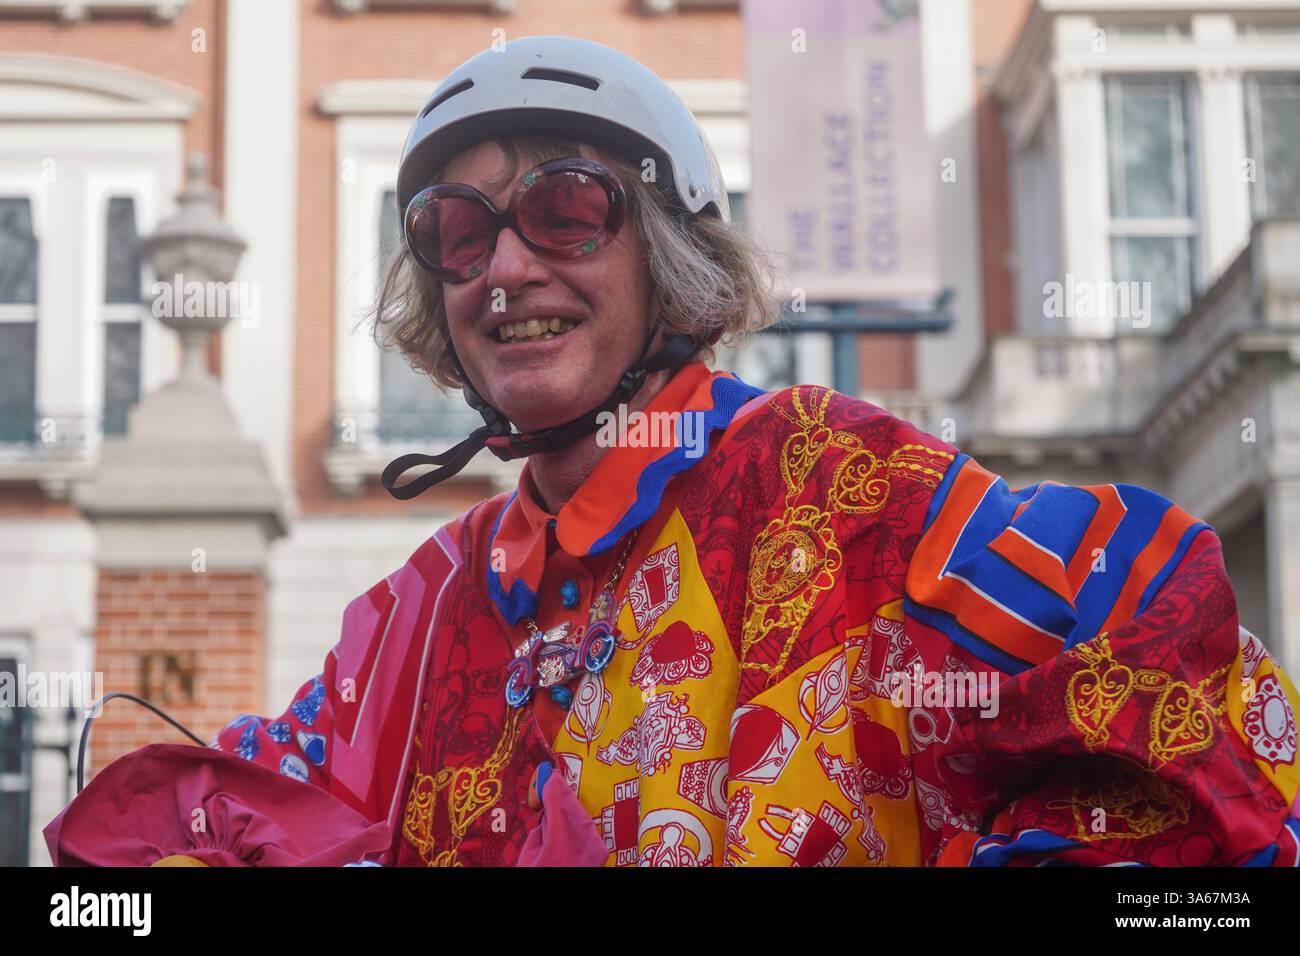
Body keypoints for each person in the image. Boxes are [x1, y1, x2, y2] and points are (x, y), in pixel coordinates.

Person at [47, 36, 1300, 868]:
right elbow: (255, 809)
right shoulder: (418, 611)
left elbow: (1187, 688)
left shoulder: (836, 487)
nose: (509, 266)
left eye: (566, 208)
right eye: (458, 229)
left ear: (669, 251)